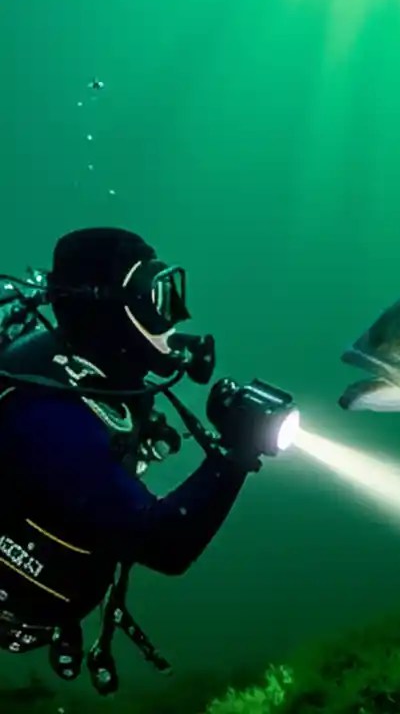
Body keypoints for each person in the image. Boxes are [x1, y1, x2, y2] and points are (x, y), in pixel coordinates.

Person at [0, 227, 263, 695]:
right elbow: (165, 546)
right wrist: (235, 453)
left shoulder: (100, 371)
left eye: (173, 291)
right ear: (109, 309)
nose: (176, 316)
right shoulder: (52, 416)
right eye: (158, 297)